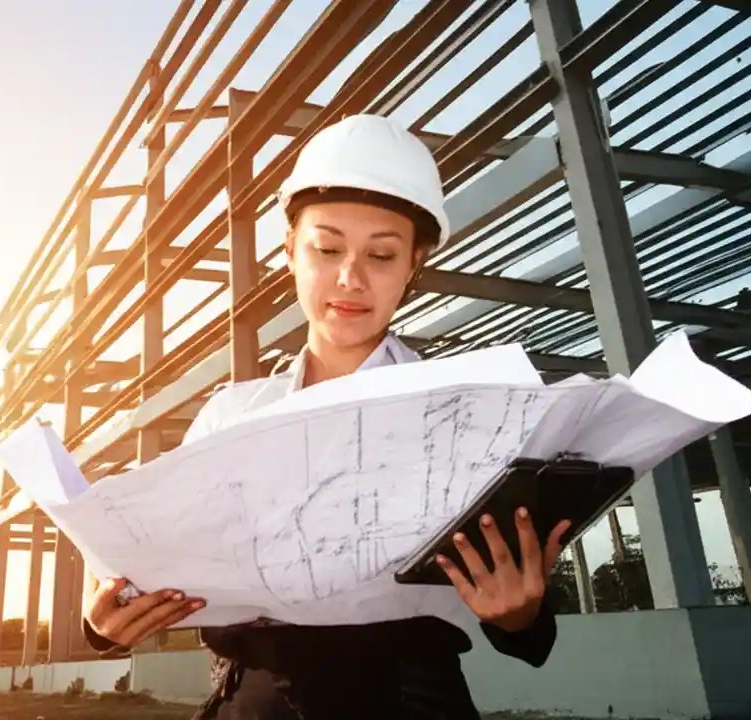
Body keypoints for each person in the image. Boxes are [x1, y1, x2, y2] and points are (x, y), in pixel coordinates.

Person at [82, 114, 571, 718]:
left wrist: (520, 614)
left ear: (415, 263)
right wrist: (106, 619)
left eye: (382, 254)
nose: (350, 278)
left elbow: (526, 624)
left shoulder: (468, 415)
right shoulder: (230, 417)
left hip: (412, 703)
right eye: (327, 248)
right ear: (290, 250)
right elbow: (149, 568)